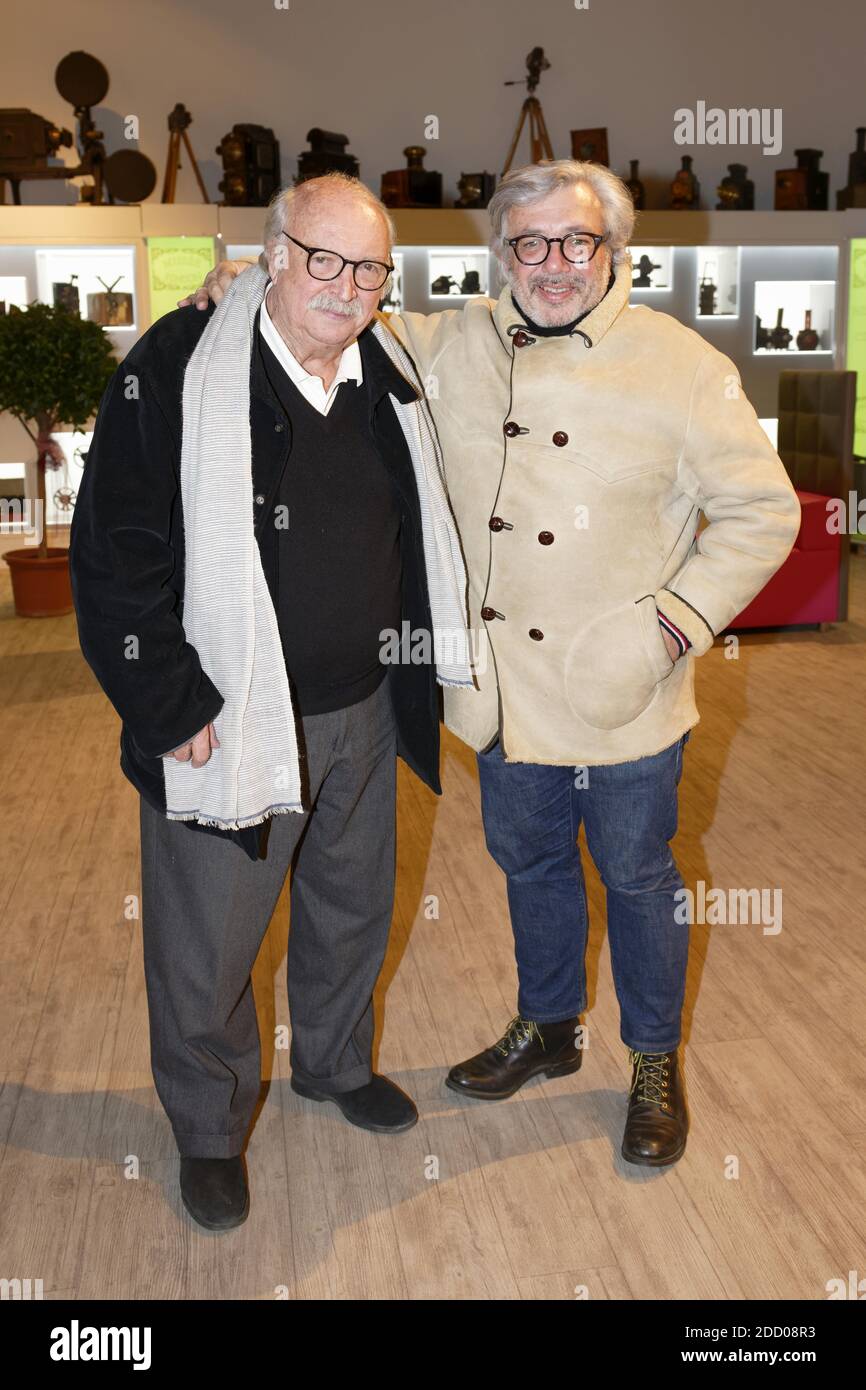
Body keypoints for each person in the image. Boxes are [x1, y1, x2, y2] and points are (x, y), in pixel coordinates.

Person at [193, 158, 801, 1168]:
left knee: (639, 878)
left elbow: (761, 509)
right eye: (528, 243)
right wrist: (246, 280)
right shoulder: (448, 340)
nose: (553, 265)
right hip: (503, 698)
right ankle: (548, 1023)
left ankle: (651, 1058)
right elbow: (334, 306)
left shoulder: (681, 365)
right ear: (500, 254)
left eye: (576, 242)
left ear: (614, 250)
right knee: (529, 864)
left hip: (618, 693)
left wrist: (669, 626)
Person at [69, 173, 473, 1230]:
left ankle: (332, 1065)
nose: (347, 286)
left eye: (371, 266)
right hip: (227, 713)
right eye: (324, 258)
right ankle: (208, 1127)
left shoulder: (388, 366)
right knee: (207, 943)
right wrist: (166, 703)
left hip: (361, 707)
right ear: (272, 254)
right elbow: (116, 548)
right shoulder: (185, 361)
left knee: (350, 911)